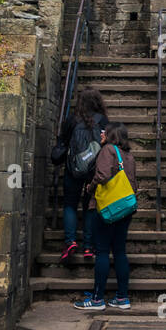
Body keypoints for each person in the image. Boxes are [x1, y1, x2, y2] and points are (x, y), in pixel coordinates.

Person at [74, 123, 137, 311]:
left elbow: (102, 175)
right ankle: (122, 297)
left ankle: (97, 299)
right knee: (119, 251)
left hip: (106, 208)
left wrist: (90, 187)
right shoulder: (129, 156)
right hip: (125, 209)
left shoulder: (107, 150)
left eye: (105, 131)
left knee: (101, 251)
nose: (101, 133)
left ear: (111, 135)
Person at [58, 87, 109, 264]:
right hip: (93, 171)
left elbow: (63, 144)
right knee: (90, 206)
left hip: (73, 169)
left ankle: (70, 241)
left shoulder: (72, 120)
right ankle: (88, 246)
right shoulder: (102, 120)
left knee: (70, 204)